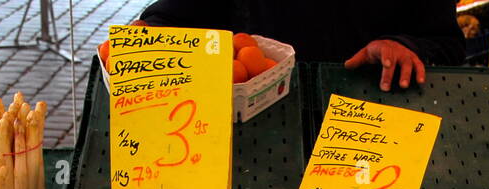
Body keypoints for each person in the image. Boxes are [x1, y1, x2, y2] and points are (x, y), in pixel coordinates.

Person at [134, 0, 465, 90]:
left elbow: (447, 44)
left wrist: (401, 46)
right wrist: (156, 24)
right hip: (258, 120)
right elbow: (188, 9)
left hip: (369, 119)